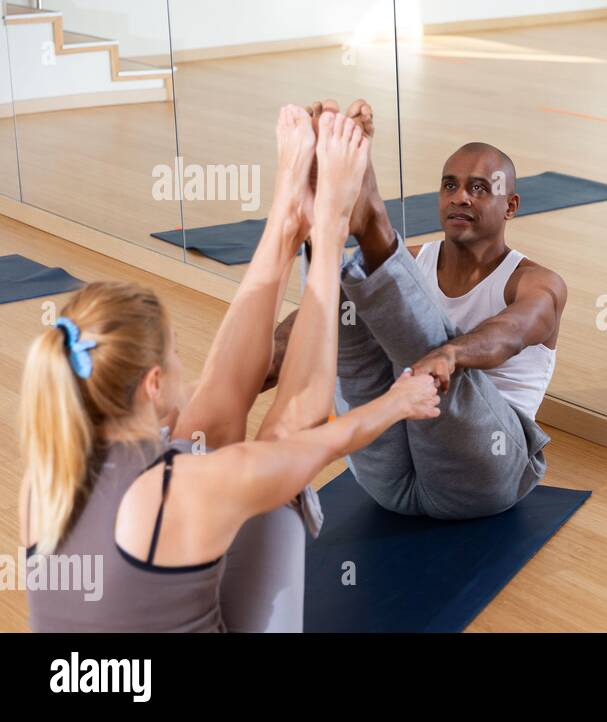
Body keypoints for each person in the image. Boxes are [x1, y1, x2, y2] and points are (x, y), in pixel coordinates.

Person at [18, 107, 440, 631]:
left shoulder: (48, 478)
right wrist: (396, 403)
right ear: (151, 384)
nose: (181, 365)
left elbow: (209, 414)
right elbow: (311, 442)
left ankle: (285, 224)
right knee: (277, 450)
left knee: (201, 436)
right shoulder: (179, 489)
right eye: (172, 355)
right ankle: (325, 232)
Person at [271, 99, 563, 519]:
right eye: (450, 185)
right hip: (387, 479)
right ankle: (326, 230)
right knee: (351, 330)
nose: (460, 196)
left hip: (487, 472)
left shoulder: (537, 282)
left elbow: (510, 333)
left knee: (434, 355)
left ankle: (366, 212)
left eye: (479, 188)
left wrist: (451, 355)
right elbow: (303, 330)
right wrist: (260, 366)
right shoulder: (405, 265)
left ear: (510, 206)